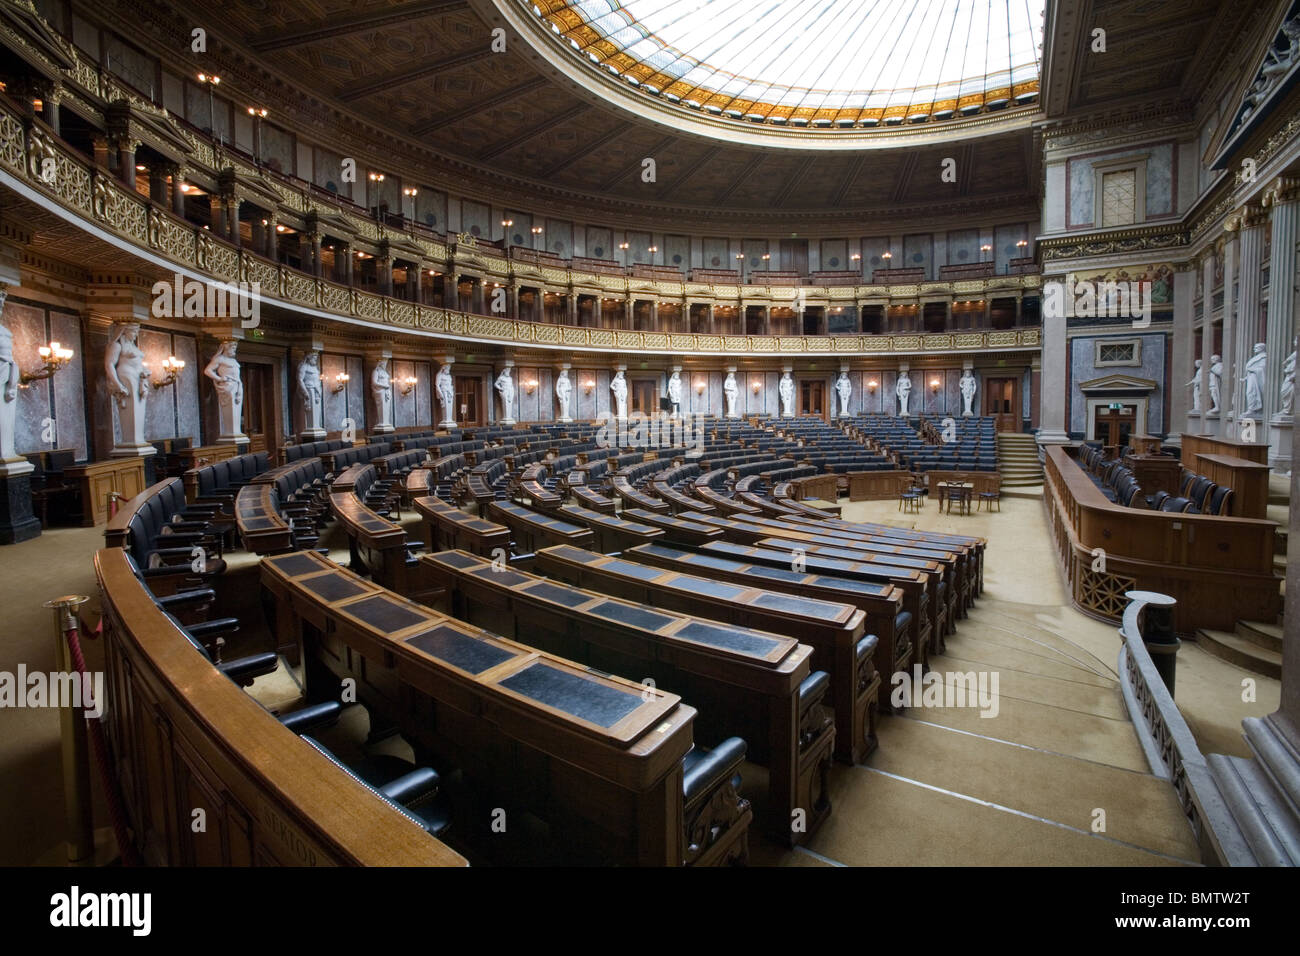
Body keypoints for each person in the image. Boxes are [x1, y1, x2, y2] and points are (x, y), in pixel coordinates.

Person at [105, 322, 149, 447]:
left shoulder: (132, 346)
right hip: (127, 378)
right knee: (131, 410)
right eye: (134, 332)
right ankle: (131, 441)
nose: (135, 336)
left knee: (139, 410)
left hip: (139, 379)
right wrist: (118, 384)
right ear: (124, 331)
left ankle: (139, 439)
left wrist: (144, 371)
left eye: (136, 332)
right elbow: (109, 365)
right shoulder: (116, 345)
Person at [204, 340, 244, 439]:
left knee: (237, 411)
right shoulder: (219, 359)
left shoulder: (234, 361)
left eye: (235, 348)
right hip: (228, 387)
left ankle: (237, 431)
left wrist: (239, 388)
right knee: (230, 411)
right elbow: (207, 370)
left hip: (237, 386)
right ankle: (231, 433)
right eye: (233, 347)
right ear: (226, 347)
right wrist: (219, 378)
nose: (234, 349)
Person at [297, 351, 323, 432]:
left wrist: (319, 391)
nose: (315, 360)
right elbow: (300, 380)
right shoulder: (304, 367)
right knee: (310, 412)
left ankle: (317, 427)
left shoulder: (316, 368)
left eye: (316, 358)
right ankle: (311, 429)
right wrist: (305, 392)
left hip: (317, 391)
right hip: (309, 390)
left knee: (317, 412)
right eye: (314, 358)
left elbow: (318, 379)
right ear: (309, 358)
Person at [371, 358, 393, 428]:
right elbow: (374, 383)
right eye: (383, 363)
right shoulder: (376, 371)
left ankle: (386, 422)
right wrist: (384, 386)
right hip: (380, 392)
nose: (385, 364)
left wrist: (386, 387)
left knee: (387, 408)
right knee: (381, 407)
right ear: (380, 363)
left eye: (386, 363)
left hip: (387, 391)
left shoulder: (385, 372)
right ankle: (382, 422)